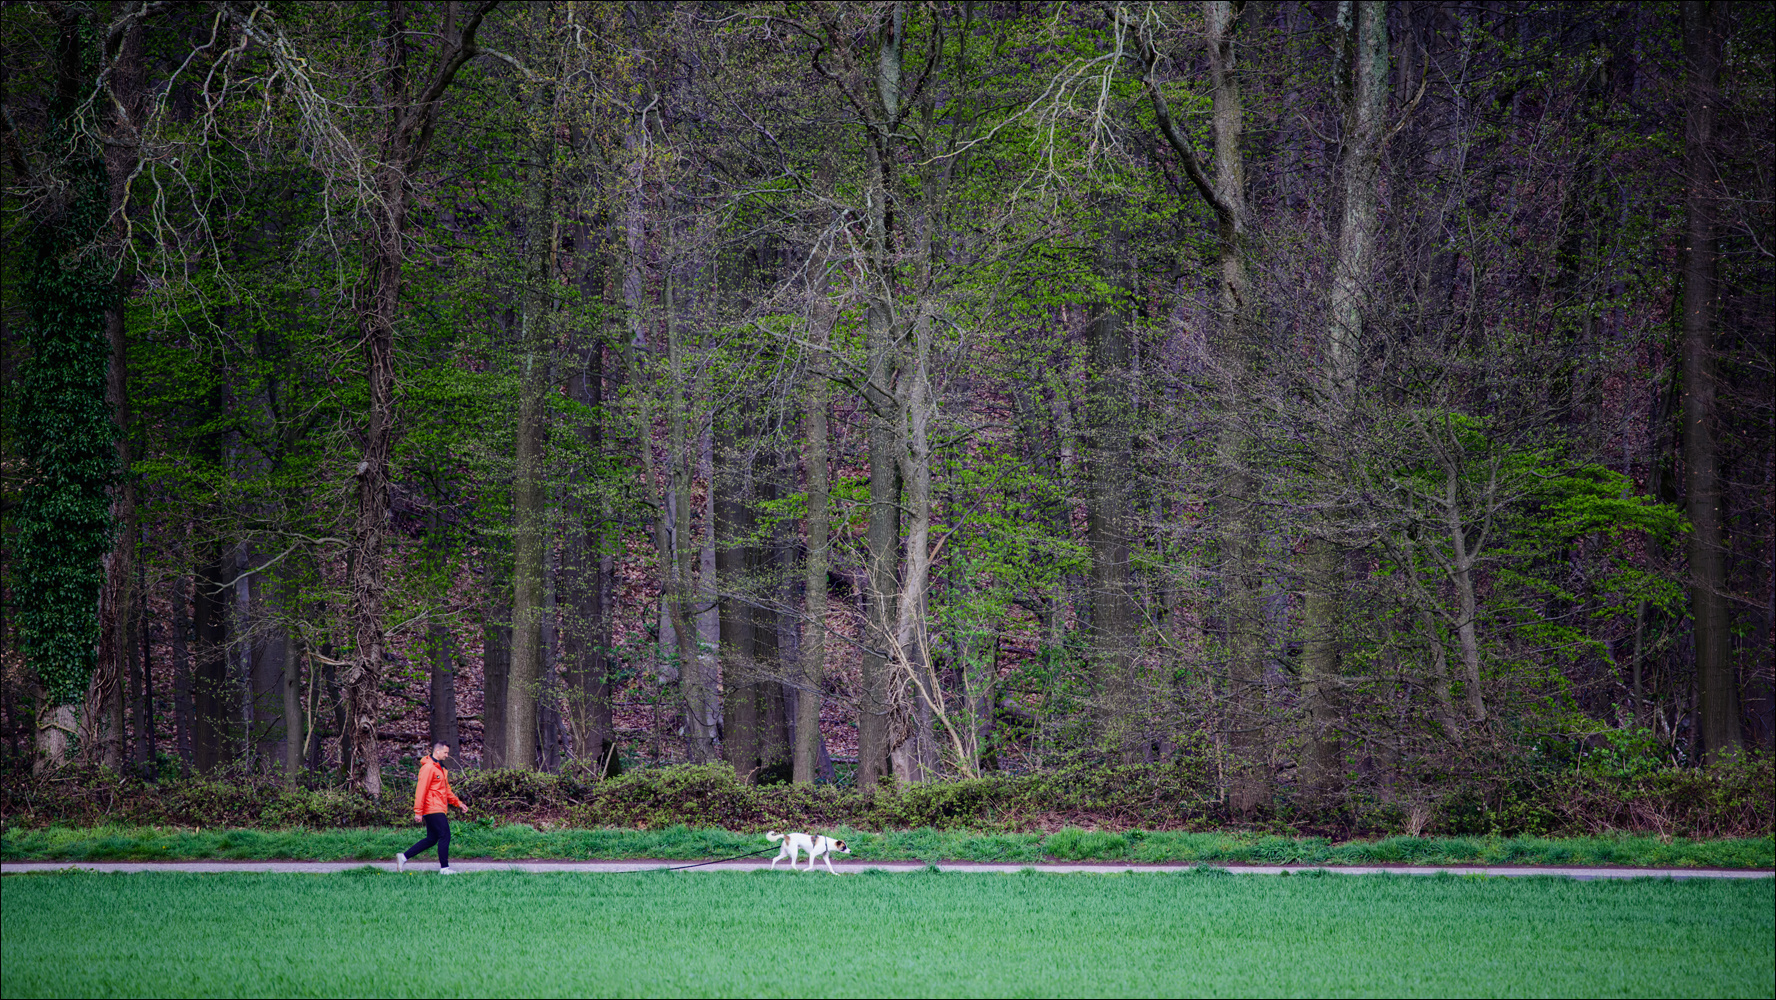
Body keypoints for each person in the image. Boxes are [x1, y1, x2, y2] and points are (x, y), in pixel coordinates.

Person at [396, 742, 467, 874]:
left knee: (432, 839)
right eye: (445, 753)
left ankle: (403, 857)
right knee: (445, 835)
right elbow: (421, 790)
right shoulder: (428, 768)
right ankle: (444, 869)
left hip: (438, 807)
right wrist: (418, 811)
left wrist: (458, 803)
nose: (447, 755)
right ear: (437, 751)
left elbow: (446, 790)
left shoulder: (440, 768)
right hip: (432, 808)